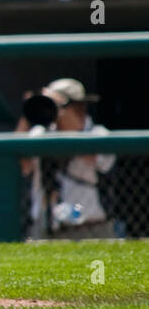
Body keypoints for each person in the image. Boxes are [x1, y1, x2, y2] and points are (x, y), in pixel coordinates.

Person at [16, 78, 116, 240]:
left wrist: (71, 128)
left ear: (78, 106)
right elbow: (23, 165)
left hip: (91, 227)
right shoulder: (40, 134)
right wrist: (29, 112)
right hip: (47, 227)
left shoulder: (98, 134)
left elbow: (101, 163)